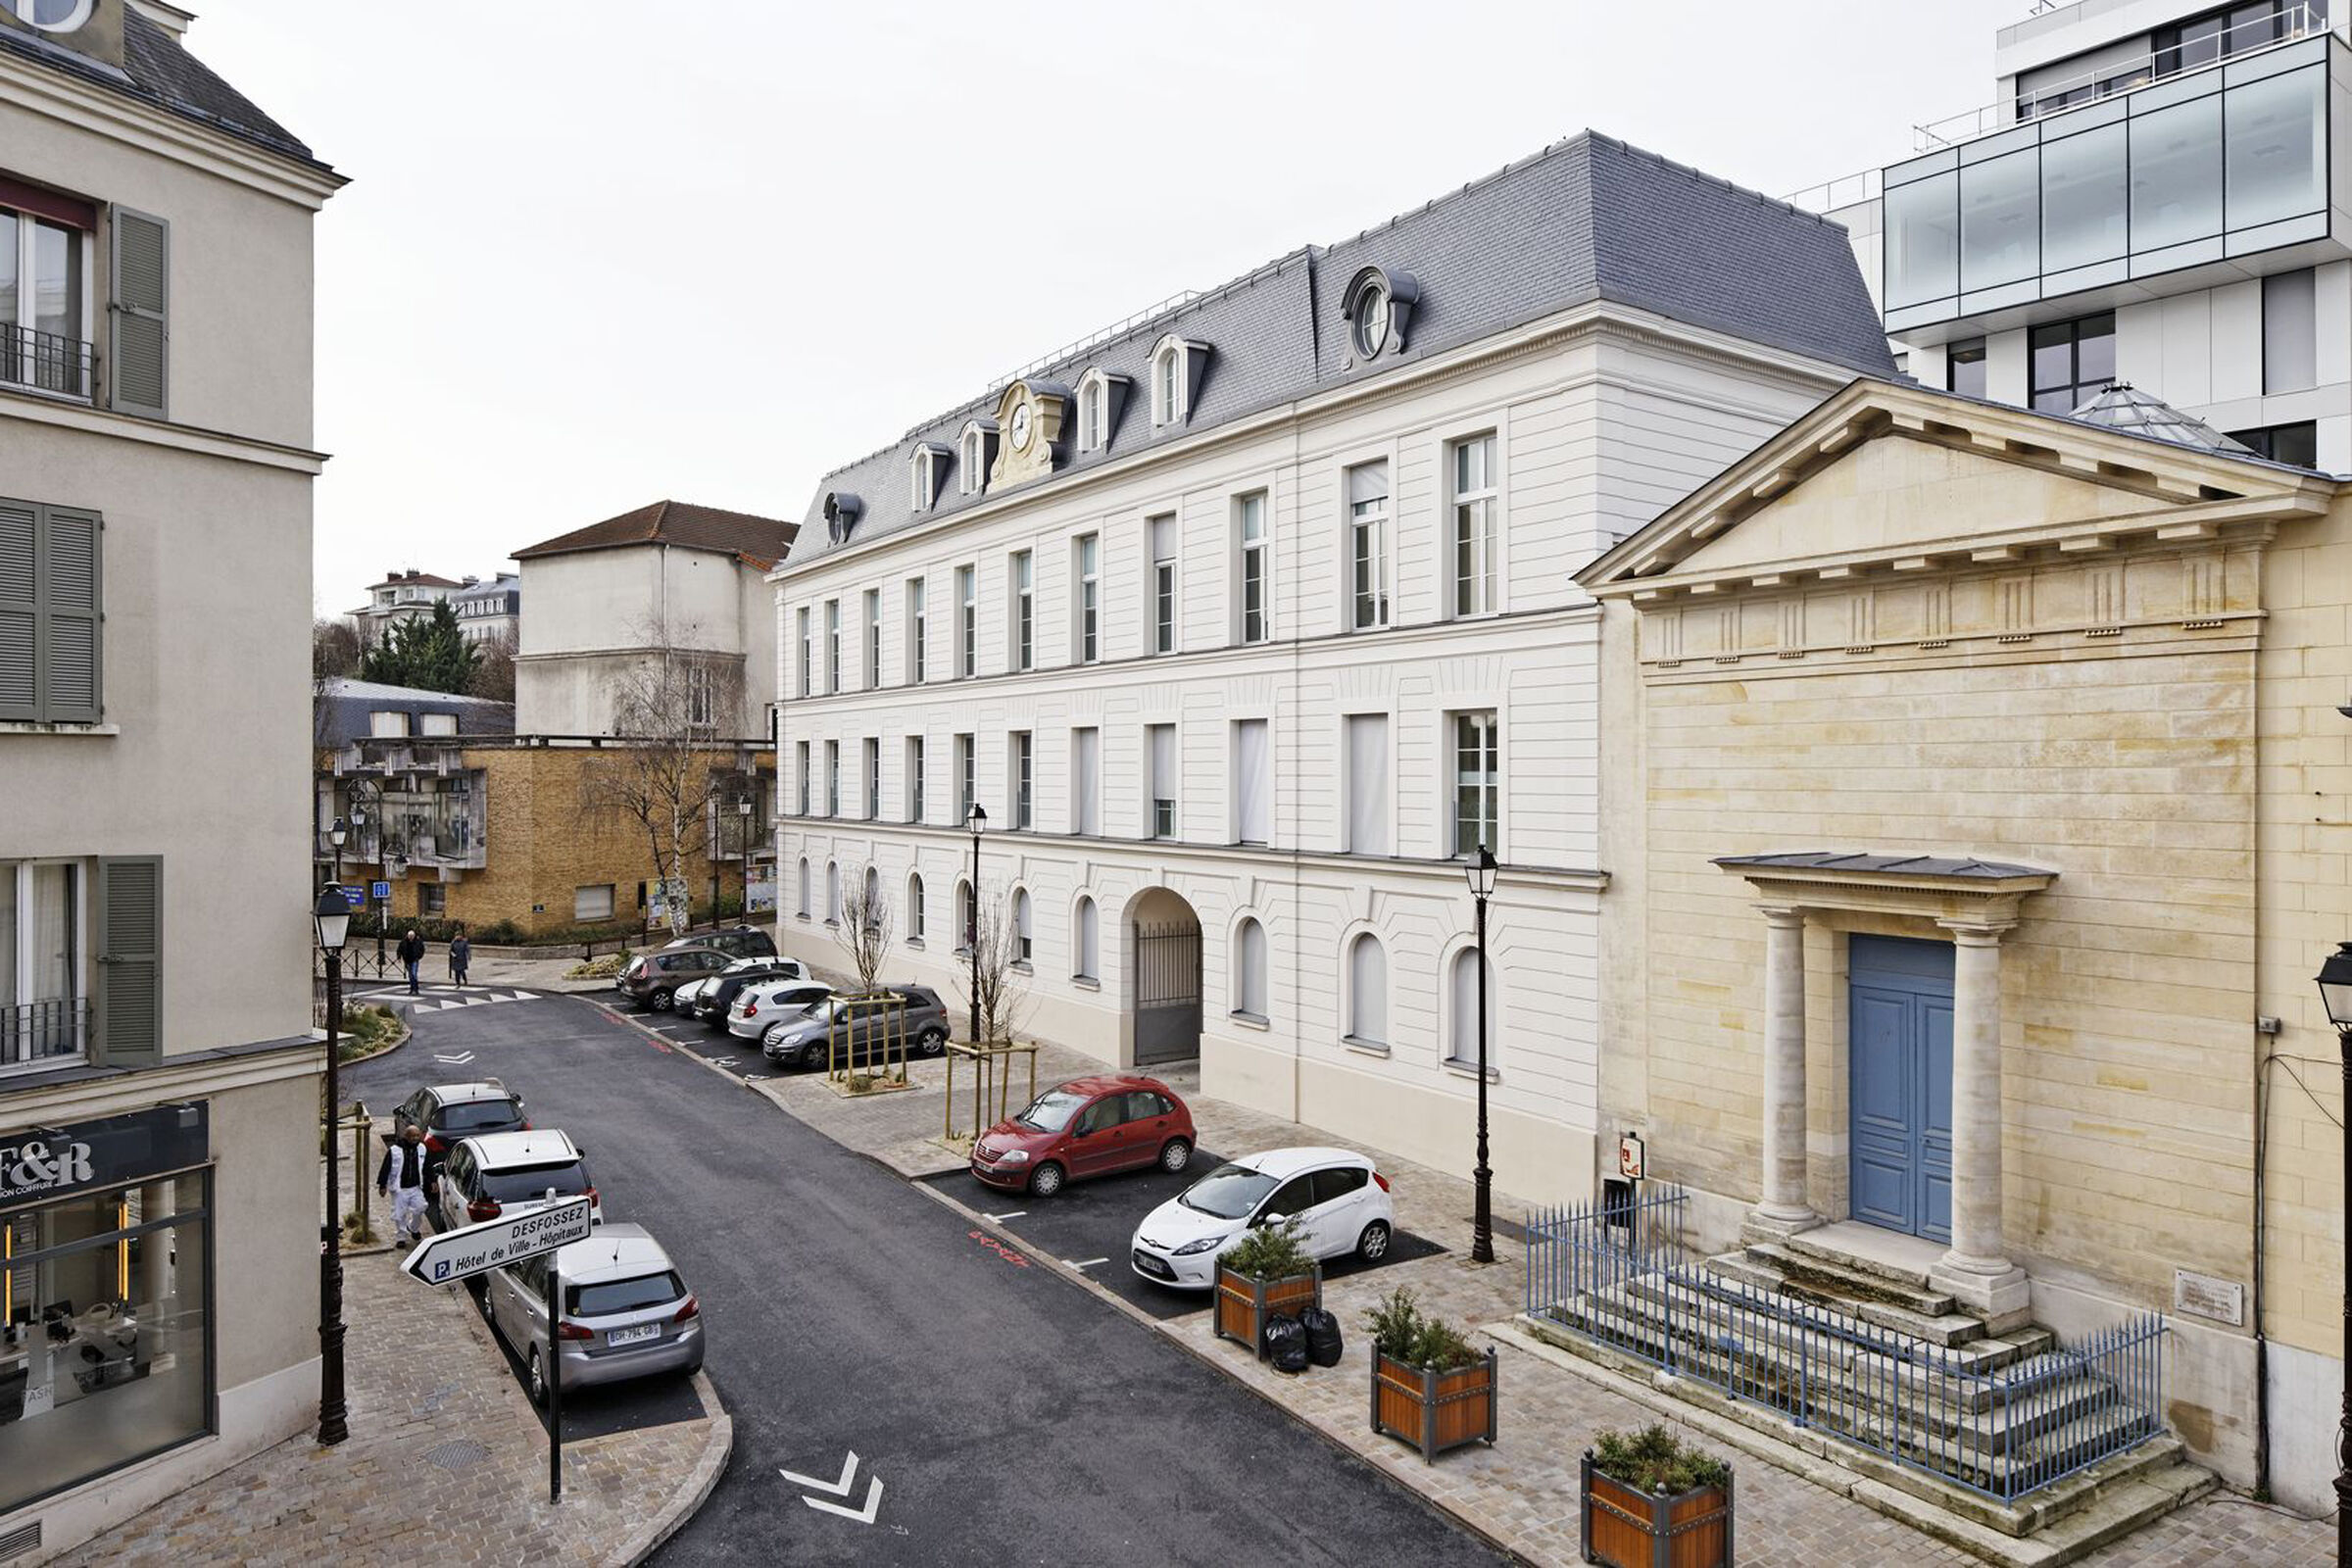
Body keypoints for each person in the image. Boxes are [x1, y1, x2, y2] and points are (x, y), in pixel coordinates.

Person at [376, 1123, 431, 1248]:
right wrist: (382, 1185)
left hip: (416, 1187)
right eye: (413, 1136)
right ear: (406, 1136)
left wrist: (432, 1181)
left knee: (420, 1207)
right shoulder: (394, 1151)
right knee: (399, 1214)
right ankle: (401, 1237)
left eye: (418, 1135)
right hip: (400, 1188)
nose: (416, 1138)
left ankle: (413, 1228)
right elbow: (385, 1168)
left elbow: (427, 1166)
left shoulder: (422, 1148)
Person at [396, 928, 425, 995]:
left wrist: (419, 956)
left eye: (412, 936)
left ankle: (416, 989)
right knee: (410, 975)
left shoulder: (418, 941)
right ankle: (412, 988)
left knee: (414, 974)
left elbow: (422, 949)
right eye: (410, 936)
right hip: (407, 960)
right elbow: (399, 950)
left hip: (414, 960)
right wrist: (399, 957)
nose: (411, 938)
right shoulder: (404, 942)